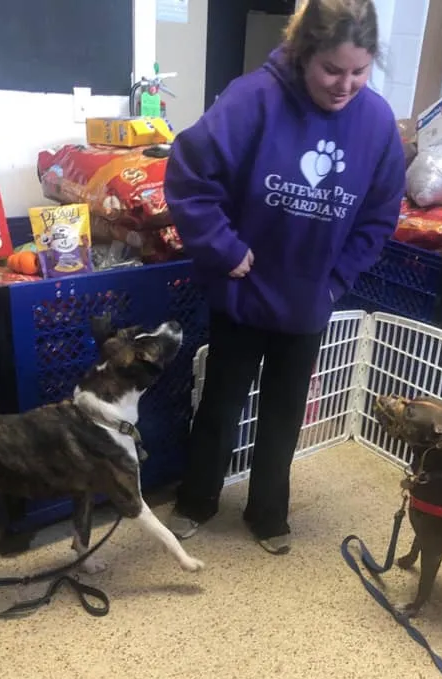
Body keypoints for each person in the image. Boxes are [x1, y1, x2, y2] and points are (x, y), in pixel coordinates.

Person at [164, 0, 405, 555]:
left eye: (358, 72)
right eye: (331, 70)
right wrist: (223, 247)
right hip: (243, 289)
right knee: (221, 402)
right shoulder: (254, 98)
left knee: (284, 412)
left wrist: (335, 279)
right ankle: (197, 501)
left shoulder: (376, 124)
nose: (345, 85)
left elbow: (378, 216)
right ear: (302, 54)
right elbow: (188, 173)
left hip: (308, 297)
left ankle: (268, 513)